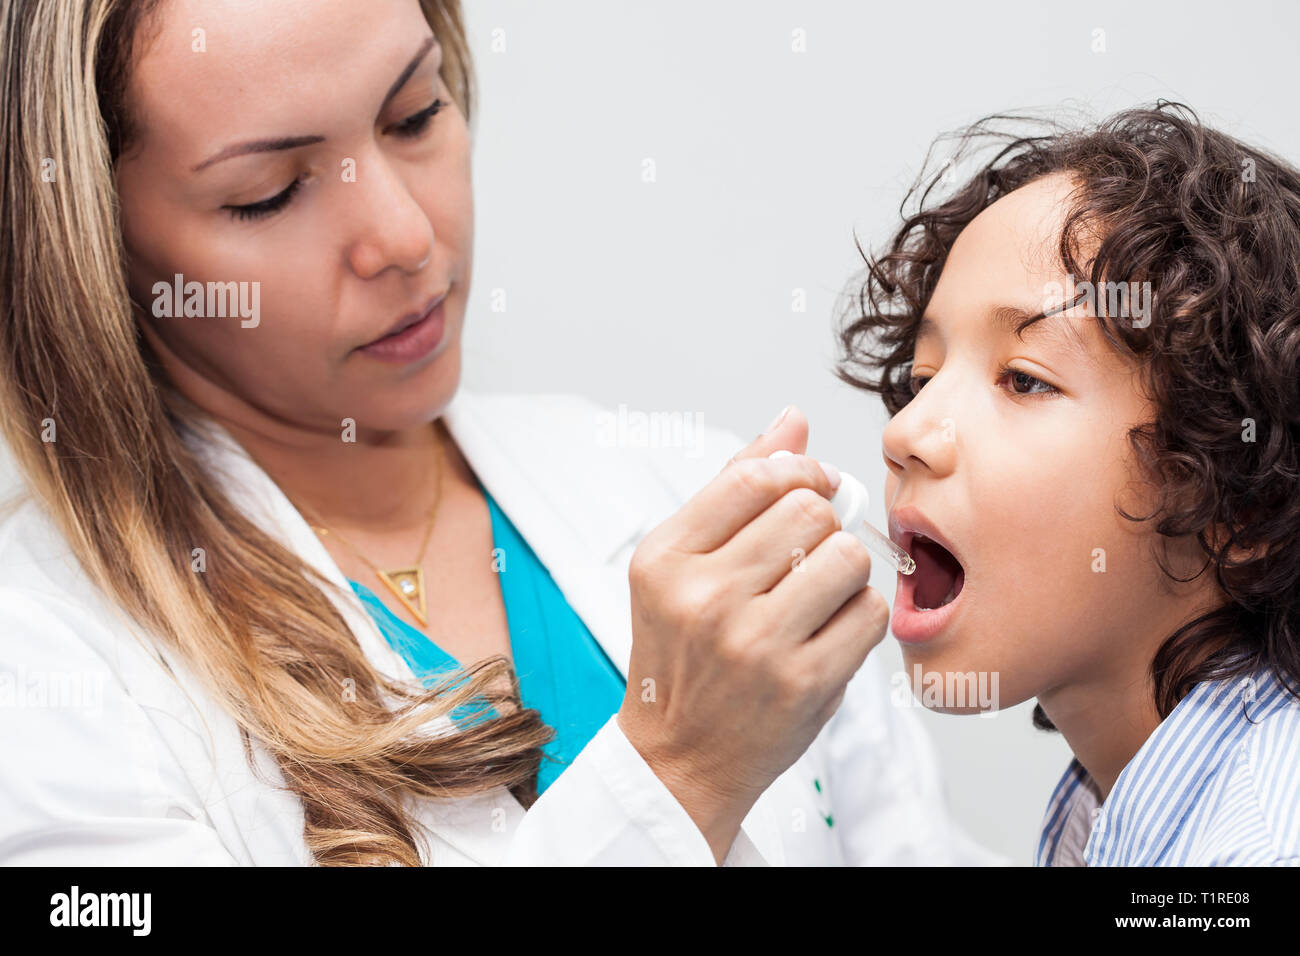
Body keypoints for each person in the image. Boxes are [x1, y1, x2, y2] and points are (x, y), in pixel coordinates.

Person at [0, 0, 998, 866]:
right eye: (270, 193)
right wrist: (680, 772)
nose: (402, 237)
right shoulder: (45, 667)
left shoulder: (681, 486)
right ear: (97, 248)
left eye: (415, 114)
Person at [836, 102, 1300, 865]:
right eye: (922, 378)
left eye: (1023, 380)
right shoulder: (1107, 819)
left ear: (1248, 509)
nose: (905, 433)